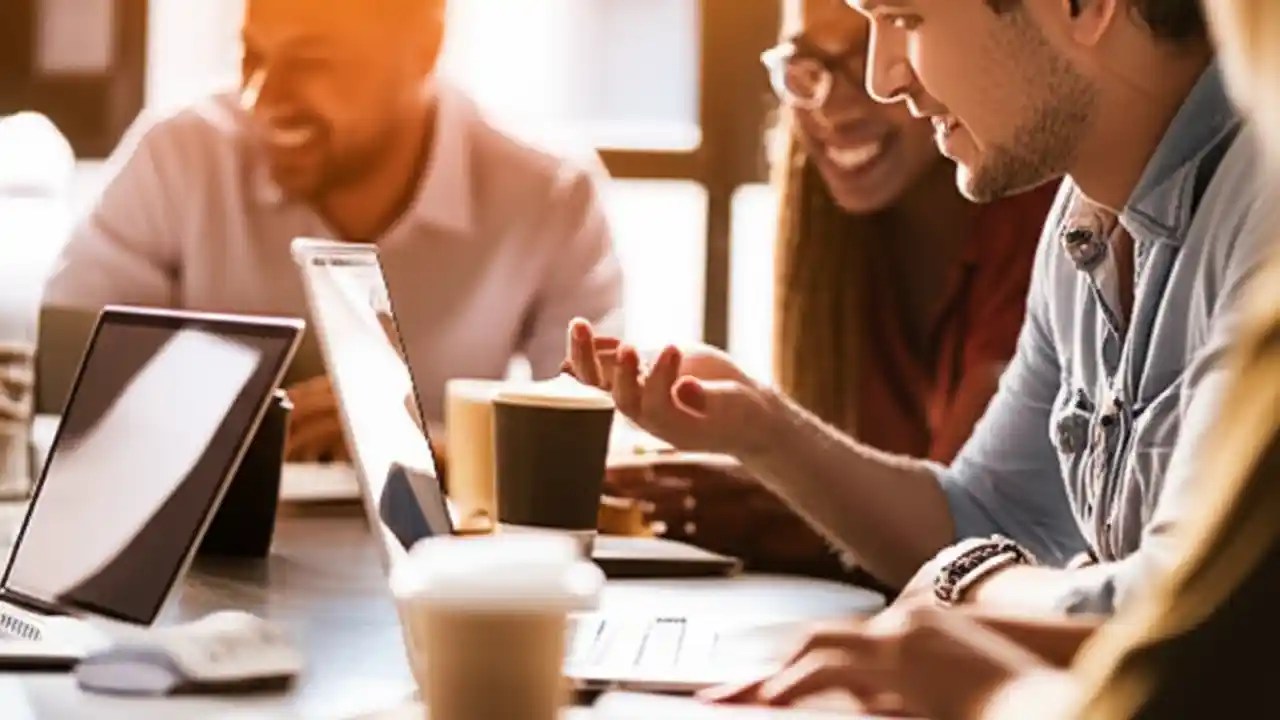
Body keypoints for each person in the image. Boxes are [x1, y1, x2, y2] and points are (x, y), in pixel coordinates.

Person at [568, 0, 1276, 617]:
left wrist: (971, 582)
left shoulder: (1263, 213)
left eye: (905, 19)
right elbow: (988, 516)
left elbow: (1186, 613)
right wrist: (760, 429)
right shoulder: (1081, 224)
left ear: (1081, 4)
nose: (886, 79)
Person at [43, 0, 623, 462]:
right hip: (207, 567)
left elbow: (592, 437)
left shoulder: (550, 197)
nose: (261, 97)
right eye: (251, 55)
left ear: (424, 47)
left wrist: (428, 451)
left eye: (310, 62)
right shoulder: (179, 158)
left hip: (438, 576)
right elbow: (65, 380)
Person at [602, 0, 1054, 582]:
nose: (835, 105)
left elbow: (971, 530)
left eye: (875, 45)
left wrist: (769, 485)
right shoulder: (842, 243)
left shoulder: (1041, 222)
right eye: (805, 63)